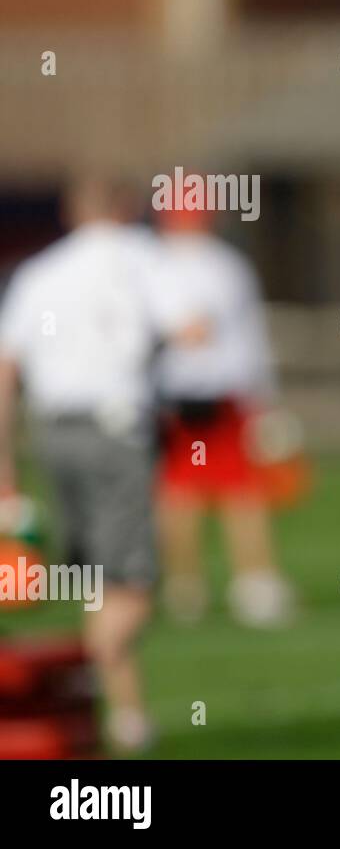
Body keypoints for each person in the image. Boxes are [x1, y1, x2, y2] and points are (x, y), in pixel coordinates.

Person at [0, 176, 204, 752]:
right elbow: (193, 329)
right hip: (117, 431)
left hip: (54, 434)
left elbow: (6, 368)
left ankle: (122, 711)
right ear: (126, 206)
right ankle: (91, 672)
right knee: (133, 584)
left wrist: (4, 464)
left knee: (93, 579)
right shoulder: (141, 257)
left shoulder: (39, 271)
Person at [151, 202, 294, 628]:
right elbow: (250, 340)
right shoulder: (227, 265)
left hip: (172, 398)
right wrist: (266, 400)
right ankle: (255, 585)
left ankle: (183, 588)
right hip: (224, 395)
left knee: (179, 492)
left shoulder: (151, 264)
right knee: (241, 491)